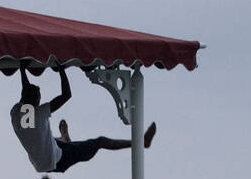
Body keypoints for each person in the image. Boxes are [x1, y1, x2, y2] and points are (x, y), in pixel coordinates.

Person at [9, 64, 156, 173]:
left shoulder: (16, 113)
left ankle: (64, 138)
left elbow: (27, 91)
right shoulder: (39, 113)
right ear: (36, 101)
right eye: (39, 98)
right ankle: (141, 143)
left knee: (49, 139)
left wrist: (22, 68)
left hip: (41, 158)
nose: (41, 101)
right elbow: (66, 95)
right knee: (100, 141)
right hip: (57, 161)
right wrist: (61, 69)